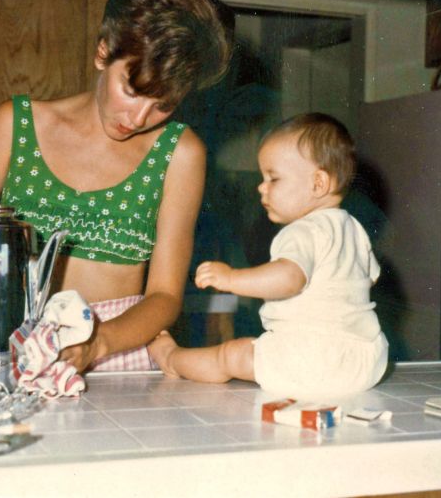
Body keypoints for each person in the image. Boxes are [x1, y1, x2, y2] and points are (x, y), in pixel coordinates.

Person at [0, 0, 231, 373]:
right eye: (132, 91)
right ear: (103, 52)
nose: (139, 118)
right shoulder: (15, 125)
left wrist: (97, 343)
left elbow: (164, 296)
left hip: (117, 353)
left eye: (163, 105)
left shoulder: (181, 153)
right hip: (18, 348)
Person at [148, 113, 388, 400]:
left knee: (230, 356)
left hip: (311, 357)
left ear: (318, 184)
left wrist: (231, 278)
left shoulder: (303, 231)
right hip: (364, 361)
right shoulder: (354, 229)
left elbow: (289, 278)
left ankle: (172, 358)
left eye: (273, 178)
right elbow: (369, 277)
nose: (262, 187)